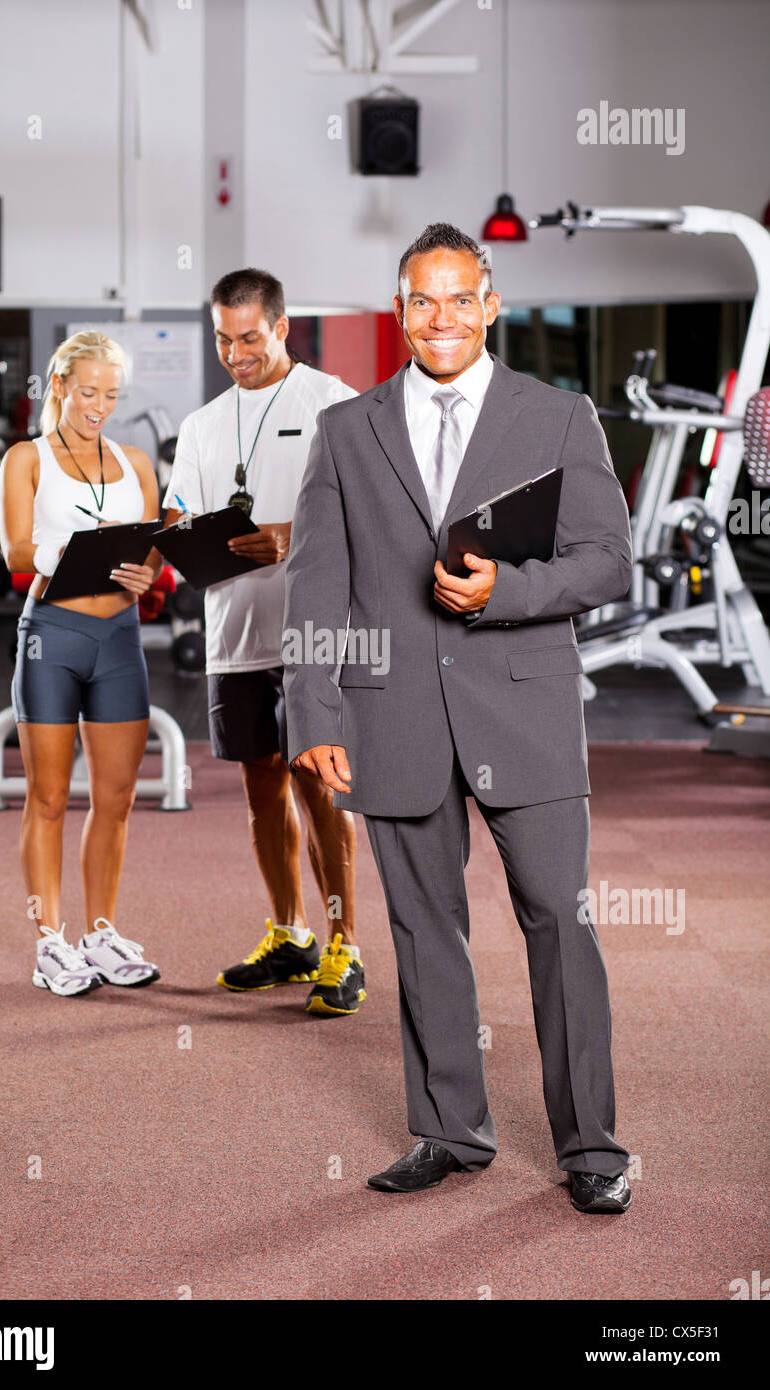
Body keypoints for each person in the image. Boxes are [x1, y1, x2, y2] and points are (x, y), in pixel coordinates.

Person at [284, 223, 635, 1213]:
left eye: (458, 297)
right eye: (420, 300)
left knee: (560, 920)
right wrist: (311, 707)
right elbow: (317, 587)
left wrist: (506, 592)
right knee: (422, 929)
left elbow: (609, 560)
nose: (441, 317)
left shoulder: (560, 417)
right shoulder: (348, 431)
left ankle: (594, 1147)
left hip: (521, 712)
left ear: (491, 305)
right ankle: (448, 1130)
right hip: (390, 715)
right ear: (401, 314)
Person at [161, 269, 364, 1016]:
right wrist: (173, 532)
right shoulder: (202, 424)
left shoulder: (331, 401)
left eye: (249, 337)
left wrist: (293, 535)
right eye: (223, 337)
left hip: (310, 631)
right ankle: (290, 934)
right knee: (259, 786)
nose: (235, 352)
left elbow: (371, 512)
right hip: (234, 627)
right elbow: (180, 507)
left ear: (281, 327)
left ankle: (344, 945)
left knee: (319, 784)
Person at [0, 331, 163, 997]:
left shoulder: (137, 462)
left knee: (117, 798)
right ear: (60, 385)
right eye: (88, 391)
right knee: (47, 797)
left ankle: (99, 932)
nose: (99, 405)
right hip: (53, 633)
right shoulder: (26, 457)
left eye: (111, 395)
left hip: (118, 639)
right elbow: (14, 549)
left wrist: (143, 574)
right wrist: (67, 554)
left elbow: (149, 553)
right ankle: (49, 944)